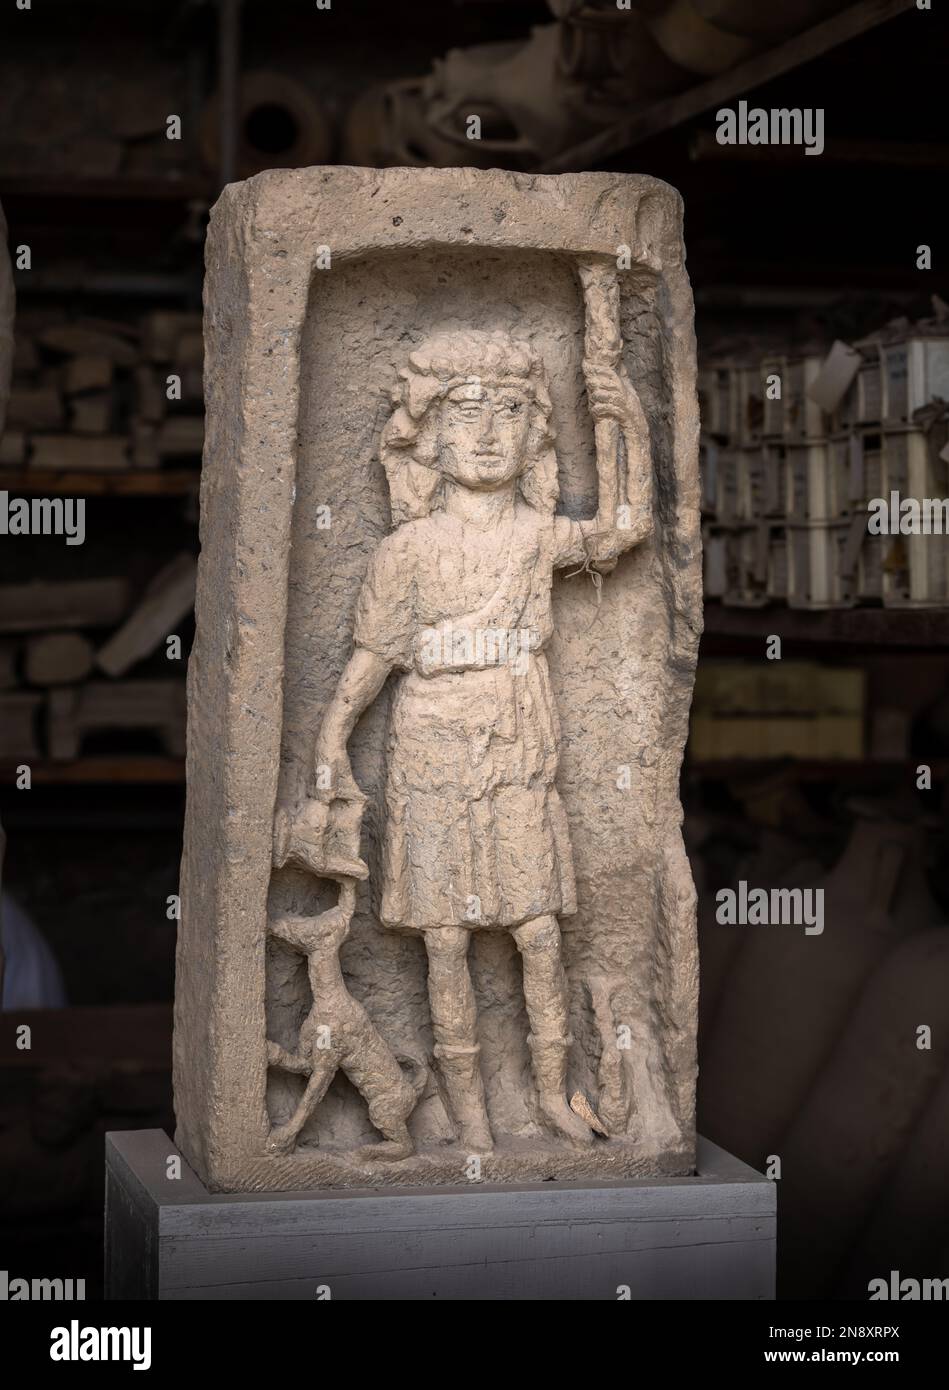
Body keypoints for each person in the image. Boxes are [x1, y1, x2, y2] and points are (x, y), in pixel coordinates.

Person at [284, 328, 651, 1152]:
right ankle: (473, 1115)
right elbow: (370, 661)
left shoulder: (537, 535)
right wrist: (327, 745)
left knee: (537, 932)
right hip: (434, 750)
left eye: (510, 413)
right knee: (445, 941)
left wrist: (628, 426)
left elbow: (624, 529)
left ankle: (552, 1098)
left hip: (519, 751)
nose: (487, 433)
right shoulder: (405, 550)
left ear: (534, 434)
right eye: (465, 414)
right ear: (428, 436)